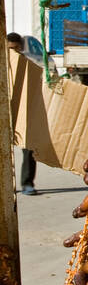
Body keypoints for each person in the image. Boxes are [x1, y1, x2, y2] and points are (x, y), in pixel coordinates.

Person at [5, 32, 39, 195]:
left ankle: (27, 183)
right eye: (10, 49)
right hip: (5, 111)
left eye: (16, 49)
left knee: (28, 149)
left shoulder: (27, 62)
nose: (13, 52)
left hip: (24, 110)